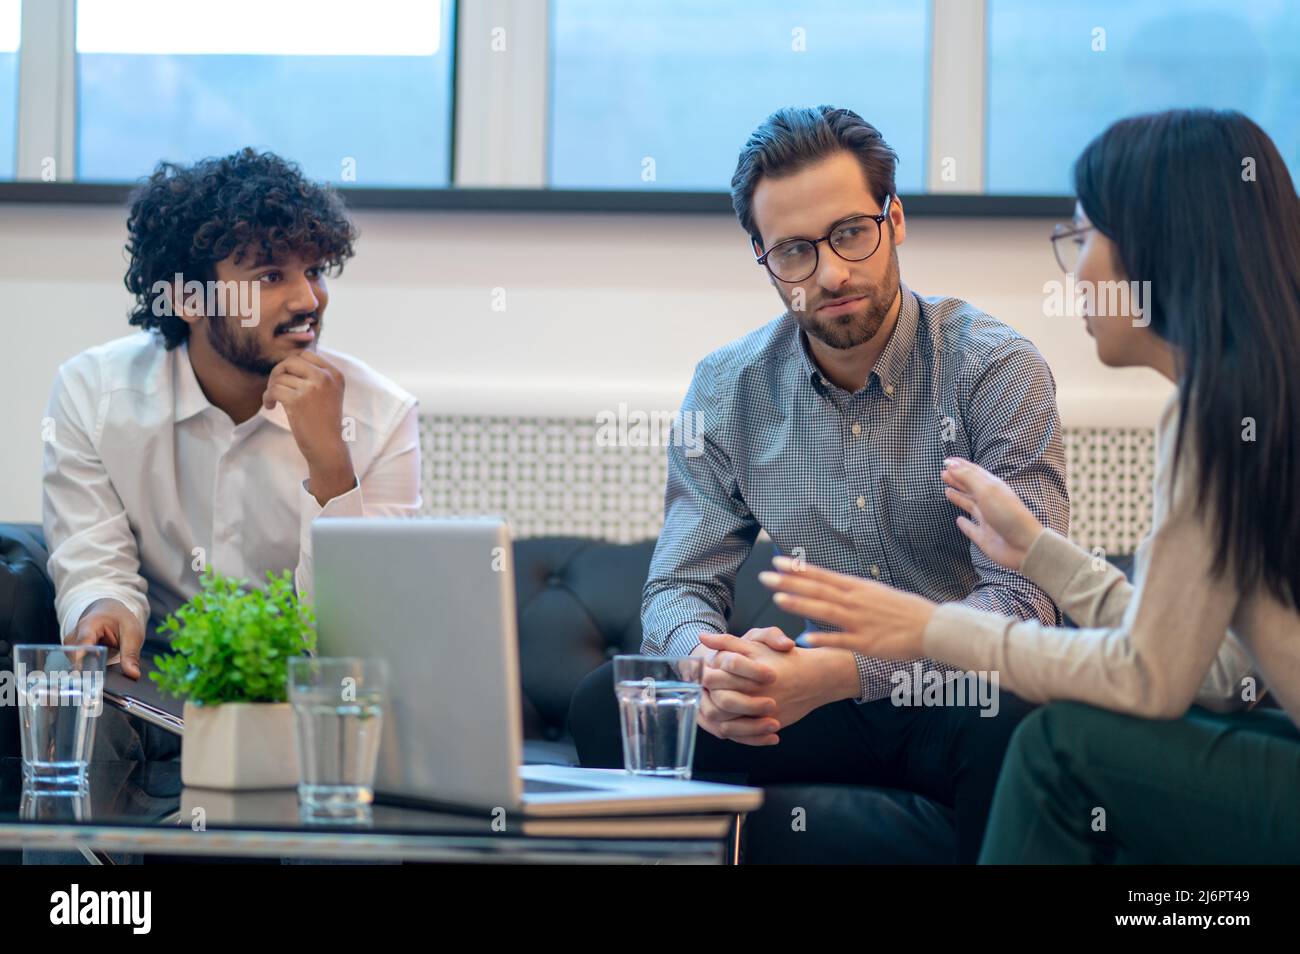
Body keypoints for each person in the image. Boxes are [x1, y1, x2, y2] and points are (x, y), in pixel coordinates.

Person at [760, 108, 1296, 863]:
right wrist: (1038, 551)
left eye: (1083, 237)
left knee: (1059, 744)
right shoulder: (1254, 396)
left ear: (1159, 241)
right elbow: (1214, 671)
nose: (1073, 272)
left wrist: (928, 627)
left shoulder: (1218, 415)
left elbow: (1152, 678)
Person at [568, 105, 1070, 863]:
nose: (831, 273)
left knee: (1015, 708)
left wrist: (845, 673)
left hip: (953, 696)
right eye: (795, 251)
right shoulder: (728, 387)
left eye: (850, 233)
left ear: (894, 220)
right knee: (612, 703)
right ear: (764, 260)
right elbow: (677, 583)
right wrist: (707, 664)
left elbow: (1024, 609)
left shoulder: (994, 370)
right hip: (805, 703)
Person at [43, 148, 422, 761]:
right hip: (153, 685)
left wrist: (331, 467)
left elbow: (355, 639)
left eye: (316, 270)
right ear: (189, 300)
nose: (309, 299)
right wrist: (103, 608)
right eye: (271, 276)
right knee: (78, 718)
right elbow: (94, 561)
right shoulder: (95, 393)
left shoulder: (381, 416)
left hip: (308, 695)